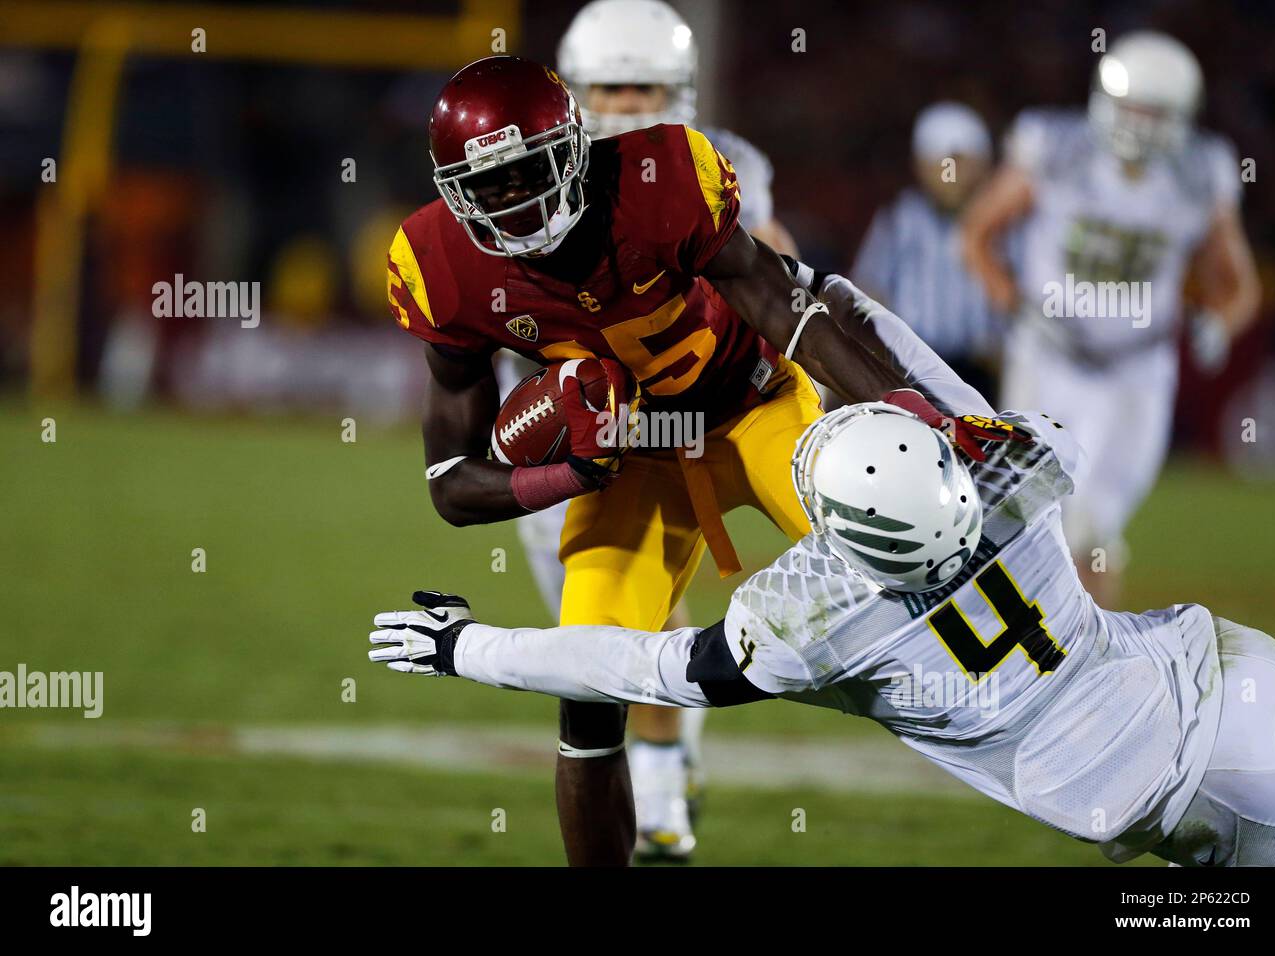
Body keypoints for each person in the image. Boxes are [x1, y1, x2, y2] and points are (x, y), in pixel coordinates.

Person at [369, 273, 1275, 867]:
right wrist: (818, 291)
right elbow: (922, 375)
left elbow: (629, 665)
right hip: (1227, 665)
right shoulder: (1002, 462)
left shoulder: (820, 615)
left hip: (1173, 790)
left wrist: (465, 648)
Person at [385, 55, 1009, 865]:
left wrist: (903, 408)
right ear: (452, 189)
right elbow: (450, 487)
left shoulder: (660, 174)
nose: (515, 199)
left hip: (755, 403)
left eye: (528, 170)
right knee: (585, 690)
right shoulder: (439, 267)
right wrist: (572, 474)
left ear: (573, 148)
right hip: (636, 455)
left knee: (931, 565)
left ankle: (1057, 704)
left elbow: (784, 303)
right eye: (488, 184)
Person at [497, 0, 802, 860]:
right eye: (611, 87)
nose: (629, 105)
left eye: (648, 87)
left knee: (625, 621)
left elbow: (767, 249)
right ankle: (666, 761)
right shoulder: (530, 159)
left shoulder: (718, 161)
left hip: (694, 403)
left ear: (684, 91)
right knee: (580, 620)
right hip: (566, 409)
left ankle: (663, 785)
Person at [962, 31, 1260, 607]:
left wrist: (1220, 323)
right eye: (1129, 108)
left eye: (1153, 113)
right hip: (1049, 355)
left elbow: (1237, 284)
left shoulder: (1200, 173)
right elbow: (977, 233)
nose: (1138, 125)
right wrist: (1010, 300)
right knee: (1025, 512)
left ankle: (1090, 655)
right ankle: (1034, 651)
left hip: (1135, 367)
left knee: (1095, 522)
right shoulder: (1056, 146)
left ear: (1179, 116)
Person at [850, 101, 1007, 401]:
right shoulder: (900, 222)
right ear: (921, 166)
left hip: (986, 372)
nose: (953, 173)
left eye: (963, 162)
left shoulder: (1005, 223)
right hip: (915, 368)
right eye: (944, 162)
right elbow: (866, 295)